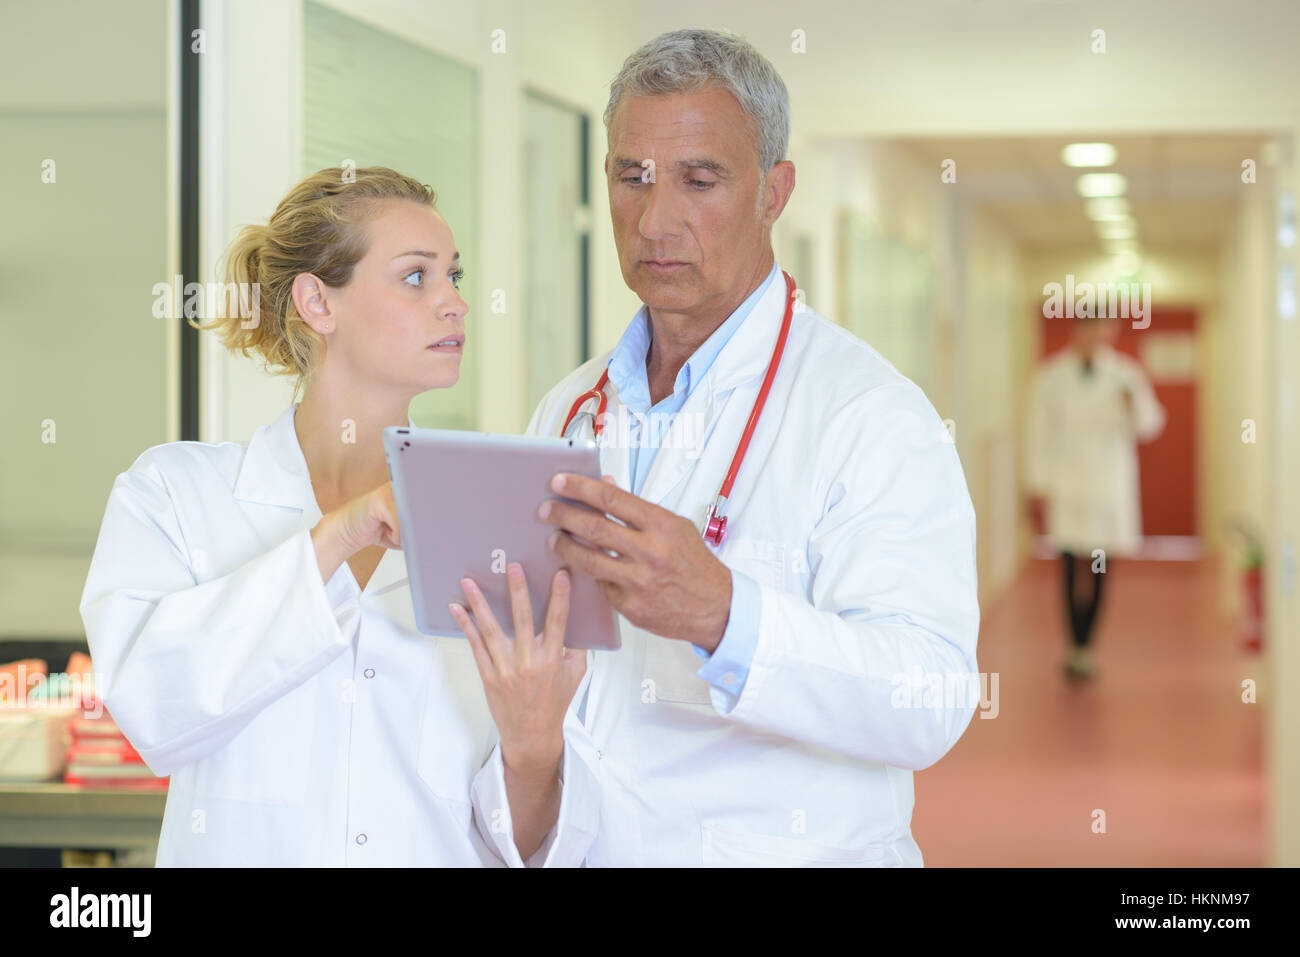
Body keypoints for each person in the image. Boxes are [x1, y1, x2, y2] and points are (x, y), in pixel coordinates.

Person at [521, 29, 981, 866]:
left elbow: (933, 695)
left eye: (700, 179)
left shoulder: (869, 413)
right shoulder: (568, 406)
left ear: (775, 192)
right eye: (632, 177)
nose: (655, 219)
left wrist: (725, 614)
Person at [79, 167, 596, 866]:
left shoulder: (504, 516)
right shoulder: (175, 494)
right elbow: (154, 712)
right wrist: (338, 535)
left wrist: (534, 748)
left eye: (455, 275)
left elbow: (529, 843)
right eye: (417, 277)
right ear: (317, 301)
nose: (456, 303)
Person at [1025, 313, 1166, 679]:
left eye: (1100, 327)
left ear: (1109, 332)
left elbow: (1150, 425)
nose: (1093, 334)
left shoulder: (1126, 375)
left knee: (1100, 565)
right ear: (1076, 331)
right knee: (1071, 563)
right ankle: (1074, 645)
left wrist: (1132, 403)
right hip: (1068, 481)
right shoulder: (1052, 376)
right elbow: (1039, 432)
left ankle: (1089, 645)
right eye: (1086, 327)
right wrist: (1036, 484)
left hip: (1107, 483)